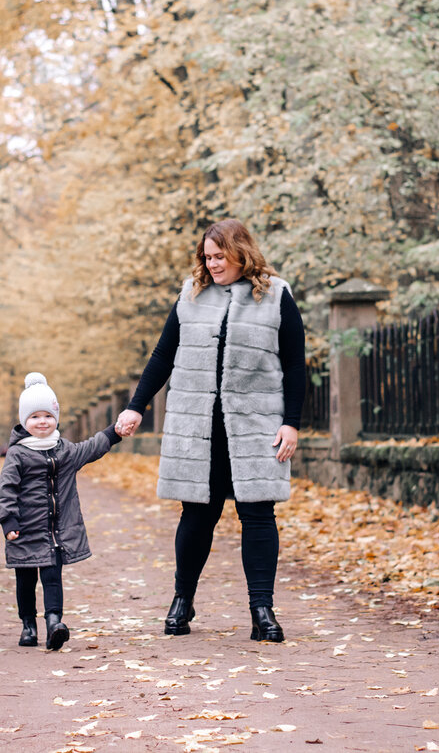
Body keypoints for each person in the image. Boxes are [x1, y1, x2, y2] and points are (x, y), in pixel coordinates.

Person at [115, 219, 305, 643]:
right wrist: (135, 406)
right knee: (198, 514)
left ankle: (262, 609)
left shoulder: (276, 295)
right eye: (207, 257)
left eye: (219, 256)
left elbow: (295, 364)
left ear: (241, 253)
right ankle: (182, 600)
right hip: (197, 424)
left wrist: (291, 422)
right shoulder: (192, 294)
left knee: (258, 513)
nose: (212, 263)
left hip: (256, 425)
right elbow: (164, 354)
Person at [0, 372, 122, 650]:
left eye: (48, 416)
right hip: (24, 530)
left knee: (53, 578)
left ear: (56, 419)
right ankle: (28, 625)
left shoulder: (64, 450)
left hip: (55, 533)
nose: (42, 422)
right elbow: (6, 490)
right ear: (24, 421)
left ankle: (55, 623)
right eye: (35, 417)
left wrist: (114, 432)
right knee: (26, 582)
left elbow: (92, 447)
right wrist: (8, 521)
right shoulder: (17, 454)